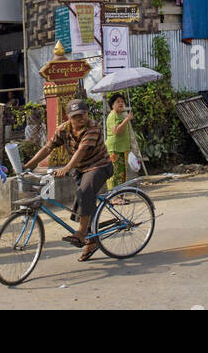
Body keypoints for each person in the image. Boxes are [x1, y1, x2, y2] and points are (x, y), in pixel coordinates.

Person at [23, 98, 112, 261]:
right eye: (76, 116)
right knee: (83, 198)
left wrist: (66, 168)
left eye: (83, 114)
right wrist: (29, 165)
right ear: (68, 117)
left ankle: (82, 233)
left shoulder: (92, 128)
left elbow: (81, 152)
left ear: (87, 113)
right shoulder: (64, 129)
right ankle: (92, 240)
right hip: (81, 169)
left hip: (99, 166)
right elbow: (48, 147)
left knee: (85, 191)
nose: (80, 118)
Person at [103, 93, 134, 190]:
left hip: (122, 148)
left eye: (122, 101)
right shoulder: (112, 115)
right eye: (118, 102)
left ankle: (119, 195)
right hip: (114, 148)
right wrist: (126, 120)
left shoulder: (121, 115)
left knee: (122, 173)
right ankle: (113, 196)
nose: (121, 103)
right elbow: (116, 131)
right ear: (112, 105)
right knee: (114, 173)